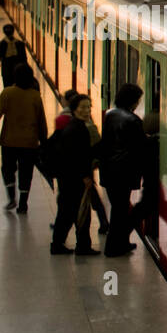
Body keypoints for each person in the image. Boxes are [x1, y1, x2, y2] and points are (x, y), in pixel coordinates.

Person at [0, 63, 47, 213]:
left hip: (9, 141)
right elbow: (41, 121)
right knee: (26, 172)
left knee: (8, 169)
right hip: (29, 142)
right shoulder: (35, 96)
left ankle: (11, 198)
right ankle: (23, 204)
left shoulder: (7, 93)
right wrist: (44, 141)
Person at [100, 84, 147, 257]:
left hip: (109, 171)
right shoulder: (133, 121)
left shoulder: (110, 114)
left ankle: (122, 243)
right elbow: (139, 147)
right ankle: (113, 248)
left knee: (118, 208)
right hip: (124, 173)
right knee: (119, 211)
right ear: (133, 101)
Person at [50, 93, 97, 256]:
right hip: (74, 179)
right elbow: (76, 156)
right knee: (74, 213)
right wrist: (85, 176)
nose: (87, 110)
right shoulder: (78, 129)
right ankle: (75, 246)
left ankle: (75, 245)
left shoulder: (74, 126)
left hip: (68, 178)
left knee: (71, 212)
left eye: (89, 107)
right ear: (74, 109)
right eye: (83, 107)